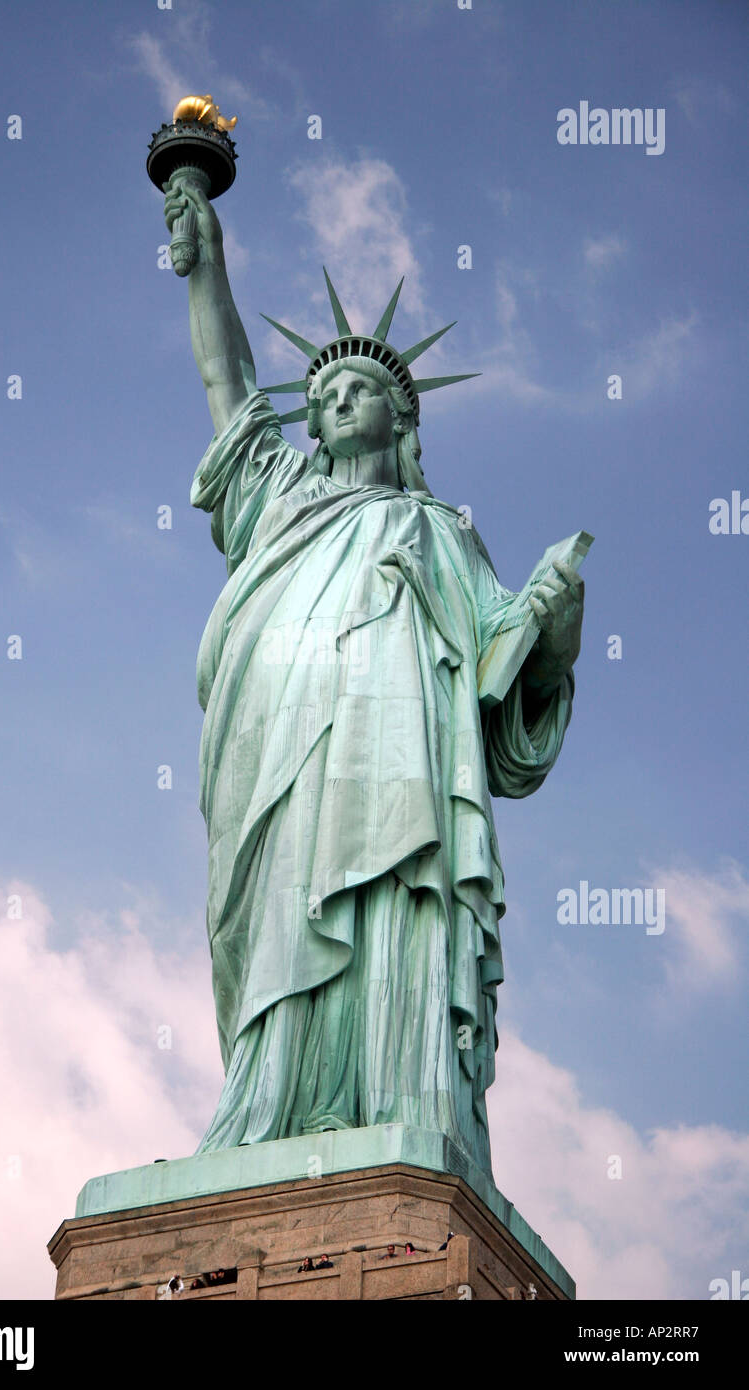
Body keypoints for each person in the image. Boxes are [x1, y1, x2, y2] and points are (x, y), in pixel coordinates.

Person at [163, 179, 584, 1175]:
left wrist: (555, 630)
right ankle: (267, 1109)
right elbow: (227, 382)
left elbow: (503, 678)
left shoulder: (439, 532)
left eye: (357, 392)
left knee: (392, 906)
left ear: (400, 419)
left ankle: (400, 1101)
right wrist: (206, 265)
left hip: (397, 769)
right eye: (320, 396)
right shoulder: (277, 500)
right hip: (274, 755)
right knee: (276, 917)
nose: (333, 401)